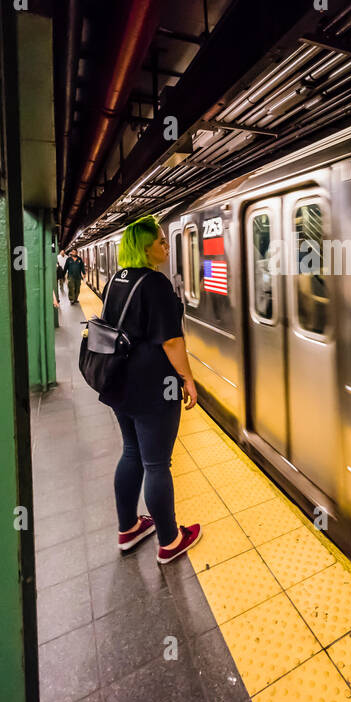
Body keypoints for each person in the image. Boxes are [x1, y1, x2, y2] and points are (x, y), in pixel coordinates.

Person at [96, 216, 203, 563]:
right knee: (157, 464)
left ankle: (128, 528)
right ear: (145, 248)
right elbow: (171, 341)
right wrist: (187, 378)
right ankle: (170, 541)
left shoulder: (116, 279)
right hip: (154, 388)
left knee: (131, 453)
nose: (165, 246)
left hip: (118, 384)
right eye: (161, 241)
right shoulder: (155, 284)